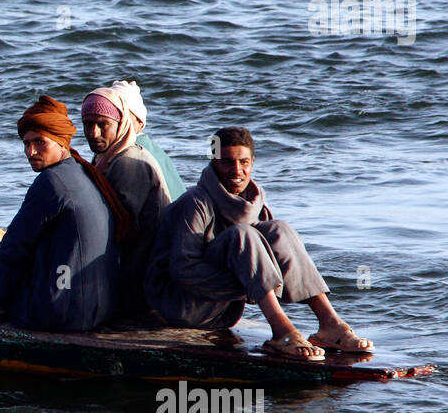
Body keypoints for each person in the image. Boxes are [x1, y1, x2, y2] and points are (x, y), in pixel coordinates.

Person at [143, 126, 373, 360]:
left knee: (279, 229)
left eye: (244, 162)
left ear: (252, 162)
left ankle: (329, 324)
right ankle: (281, 332)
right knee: (242, 234)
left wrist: (253, 282)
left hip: (224, 311)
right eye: (227, 162)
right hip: (181, 307)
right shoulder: (195, 203)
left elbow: (266, 262)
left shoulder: (255, 204)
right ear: (213, 163)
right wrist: (248, 285)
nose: (237, 171)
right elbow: (183, 269)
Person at [0, 95, 130, 332]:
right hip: (99, 307)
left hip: (64, 313)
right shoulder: (81, 172)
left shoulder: (51, 183)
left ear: (62, 143)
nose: (31, 151)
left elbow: (14, 249)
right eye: (26, 143)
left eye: (40, 142)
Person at [81, 80, 170, 319]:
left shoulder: (128, 163)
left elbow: (117, 229)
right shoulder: (104, 159)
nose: (94, 133)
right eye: (87, 124)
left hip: (142, 278)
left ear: (121, 125)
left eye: (103, 125)